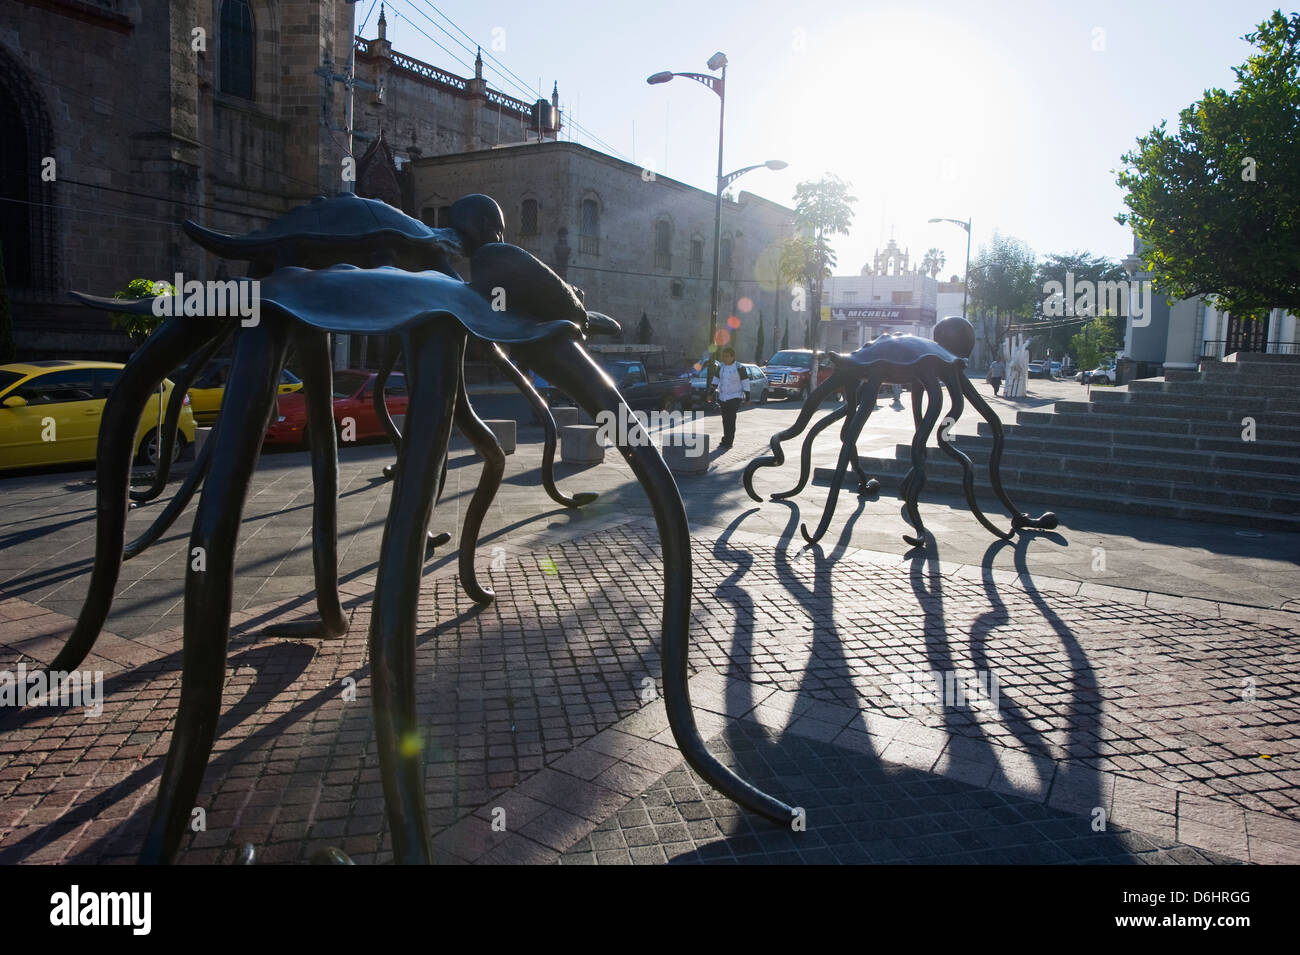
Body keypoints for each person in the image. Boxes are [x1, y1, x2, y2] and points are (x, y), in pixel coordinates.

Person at [704, 346, 750, 450]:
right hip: (723, 396)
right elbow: (715, 380)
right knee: (725, 419)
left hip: (735, 396)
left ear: (732, 357)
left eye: (727, 356)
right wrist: (710, 393)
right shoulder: (721, 366)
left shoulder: (740, 367)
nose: (724, 358)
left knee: (731, 418)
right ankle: (725, 439)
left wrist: (747, 397)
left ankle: (729, 441)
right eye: (723, 356)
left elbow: (745, 383)